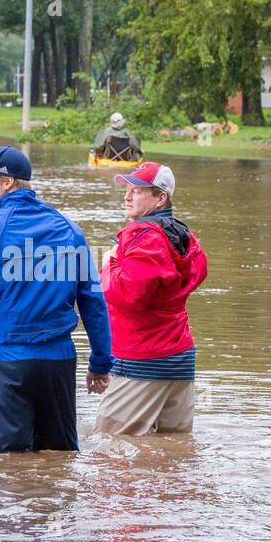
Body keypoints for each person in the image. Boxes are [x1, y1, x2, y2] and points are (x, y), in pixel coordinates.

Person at [0, 145, 112, 452]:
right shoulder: (70, 230)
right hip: (59, 361)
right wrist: (101, 361)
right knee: (59, 455)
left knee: (5, 461)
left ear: (6, 182)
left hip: (8, 361)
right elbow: (93, 302)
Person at [95, 162, 208, 435]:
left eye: (137, 191)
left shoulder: (147, 239)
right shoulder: (184, 234)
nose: (127, 196)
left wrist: (108, 264)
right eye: (128, 189)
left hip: (142, 359)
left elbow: (127, 296)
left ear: (161, 198)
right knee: (174, 449)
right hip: (179, 357)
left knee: (108, 449)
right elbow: (198, 273)